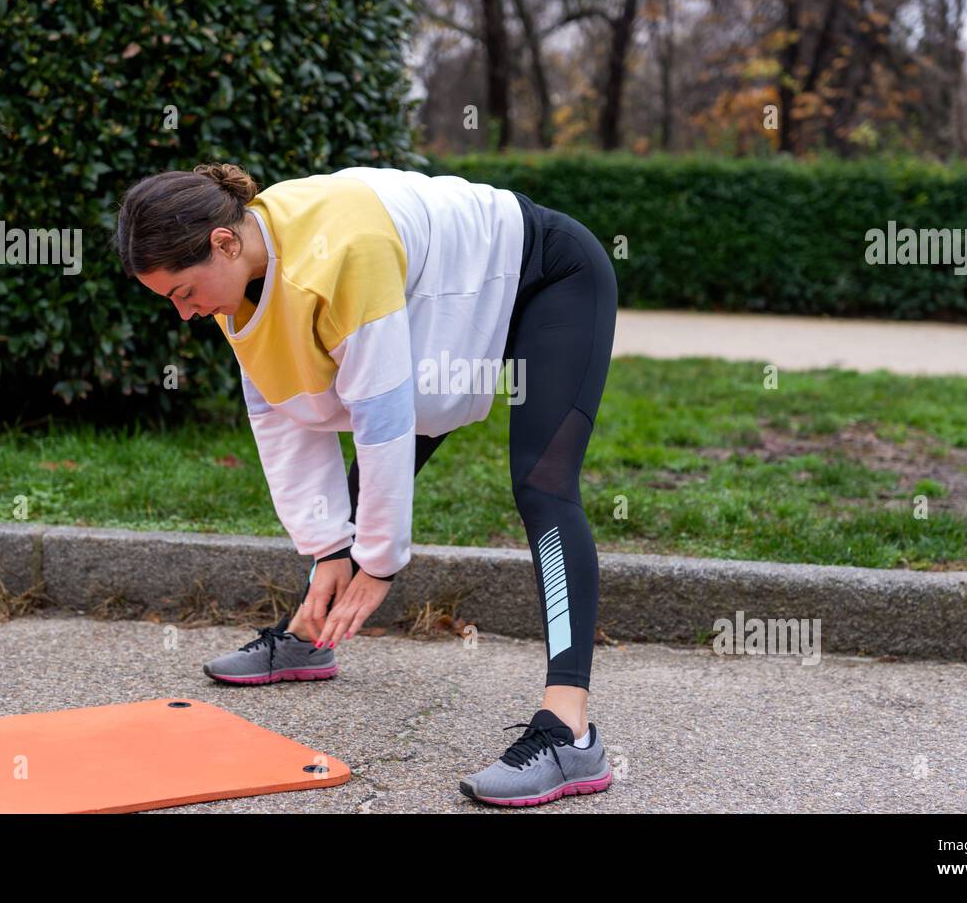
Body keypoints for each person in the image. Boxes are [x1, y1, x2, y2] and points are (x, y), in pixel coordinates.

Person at [114, 162, 618, 806]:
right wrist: (328, 545)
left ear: (223, 242)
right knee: (357, 500)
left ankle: (568, 734)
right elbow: (281, 415)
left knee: (543, 487)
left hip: (545, 277)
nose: (185, 314)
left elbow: (383, 418)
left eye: (183, 292)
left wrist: (377, 561)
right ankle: (311, 636)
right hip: (448, 310)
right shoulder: (239, 277)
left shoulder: (344, 253)